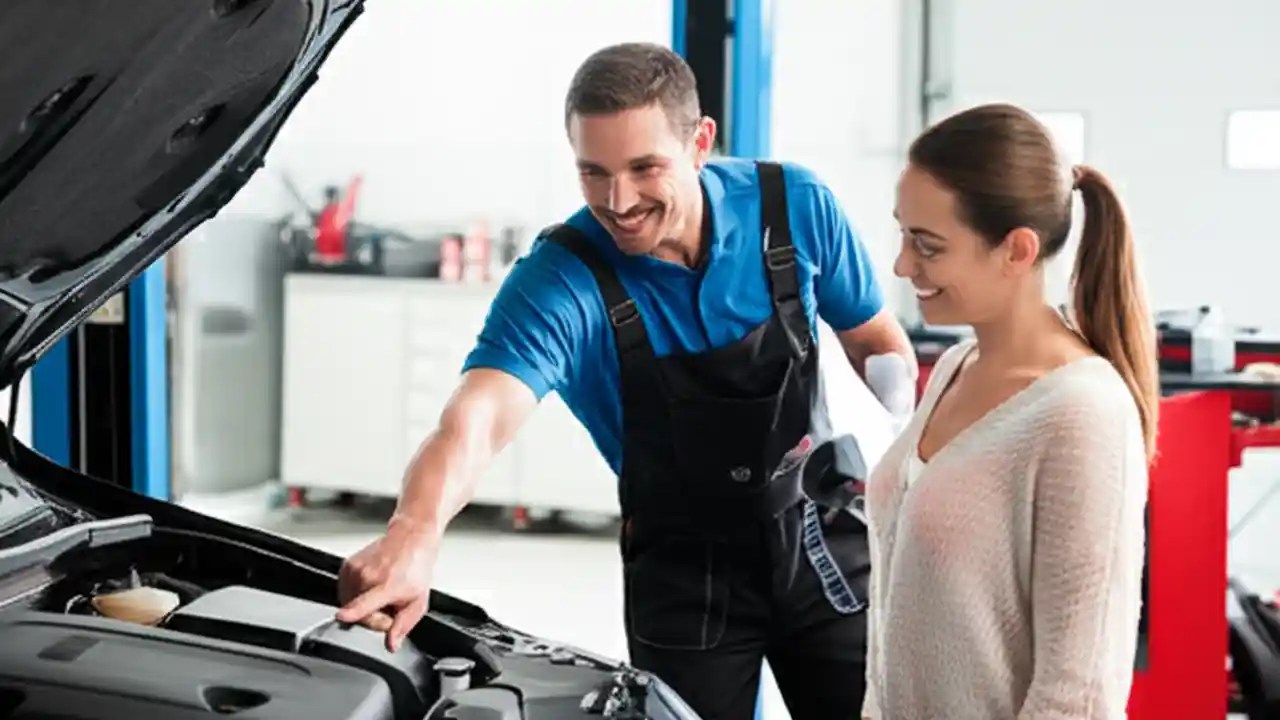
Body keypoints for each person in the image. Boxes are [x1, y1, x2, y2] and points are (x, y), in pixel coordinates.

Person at [334, 42, 918, 720]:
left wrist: (906, 443)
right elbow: (477, 418)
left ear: (701, 143)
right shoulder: (563, 277)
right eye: (594, 172)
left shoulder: (794, 209)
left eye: (645, 168)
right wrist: (414, 533)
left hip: (821, 542)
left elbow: (876, 340)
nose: (619, 202)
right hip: (684, 577)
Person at [862, 102, 1157, 719]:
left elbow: (1079, 694)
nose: (902, 264)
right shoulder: (953, 368)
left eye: (928, 244)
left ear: (1017, 250)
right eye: (903, 233)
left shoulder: (1083, 414)